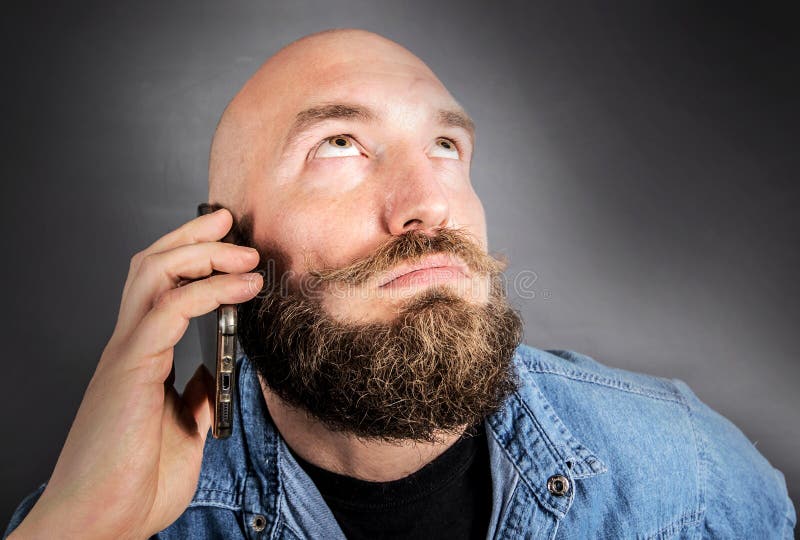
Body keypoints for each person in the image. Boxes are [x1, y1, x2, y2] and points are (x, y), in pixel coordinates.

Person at [4, 28, 795, 540]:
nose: (431, 205)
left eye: (447, 147)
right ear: (224, 247)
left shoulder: (688, 471)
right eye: (340, 144)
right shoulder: (120, 515)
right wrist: (79, 528)